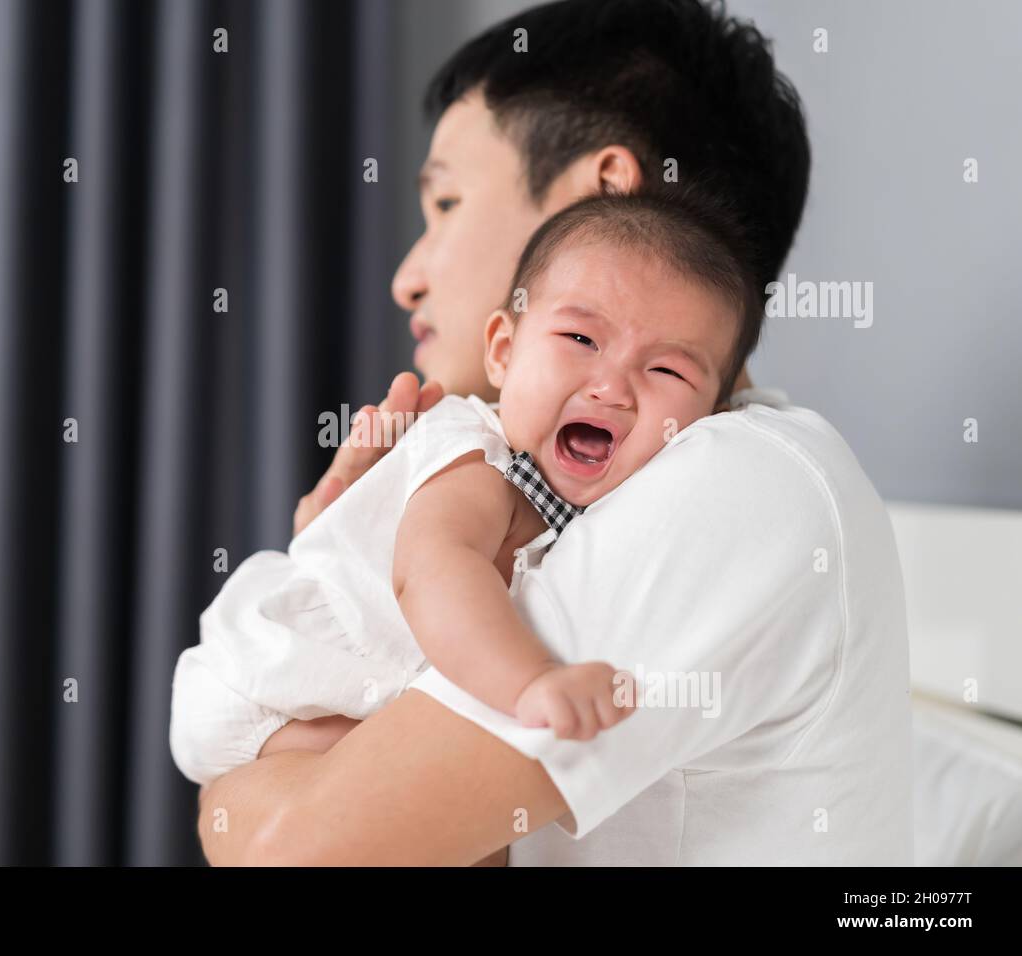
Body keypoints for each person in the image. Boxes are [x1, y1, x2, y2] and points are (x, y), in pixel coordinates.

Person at [197, 0, 913, 865]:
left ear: (603, 189)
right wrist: (348, 597)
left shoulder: (736, 487)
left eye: (448, 201)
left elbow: (286, 852)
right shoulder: (589, 497)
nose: (405, 278)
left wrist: (261, 711)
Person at [171, 188, 763, 786]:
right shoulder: (476, 454)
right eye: (581, 340)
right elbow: (434, 568)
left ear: (711, 419)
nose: (612, 388)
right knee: (391, 786)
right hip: (269, 681)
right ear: (504, 352)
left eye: (667, 370)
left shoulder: (646, 505)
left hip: (343, 686)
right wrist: (531, 681)